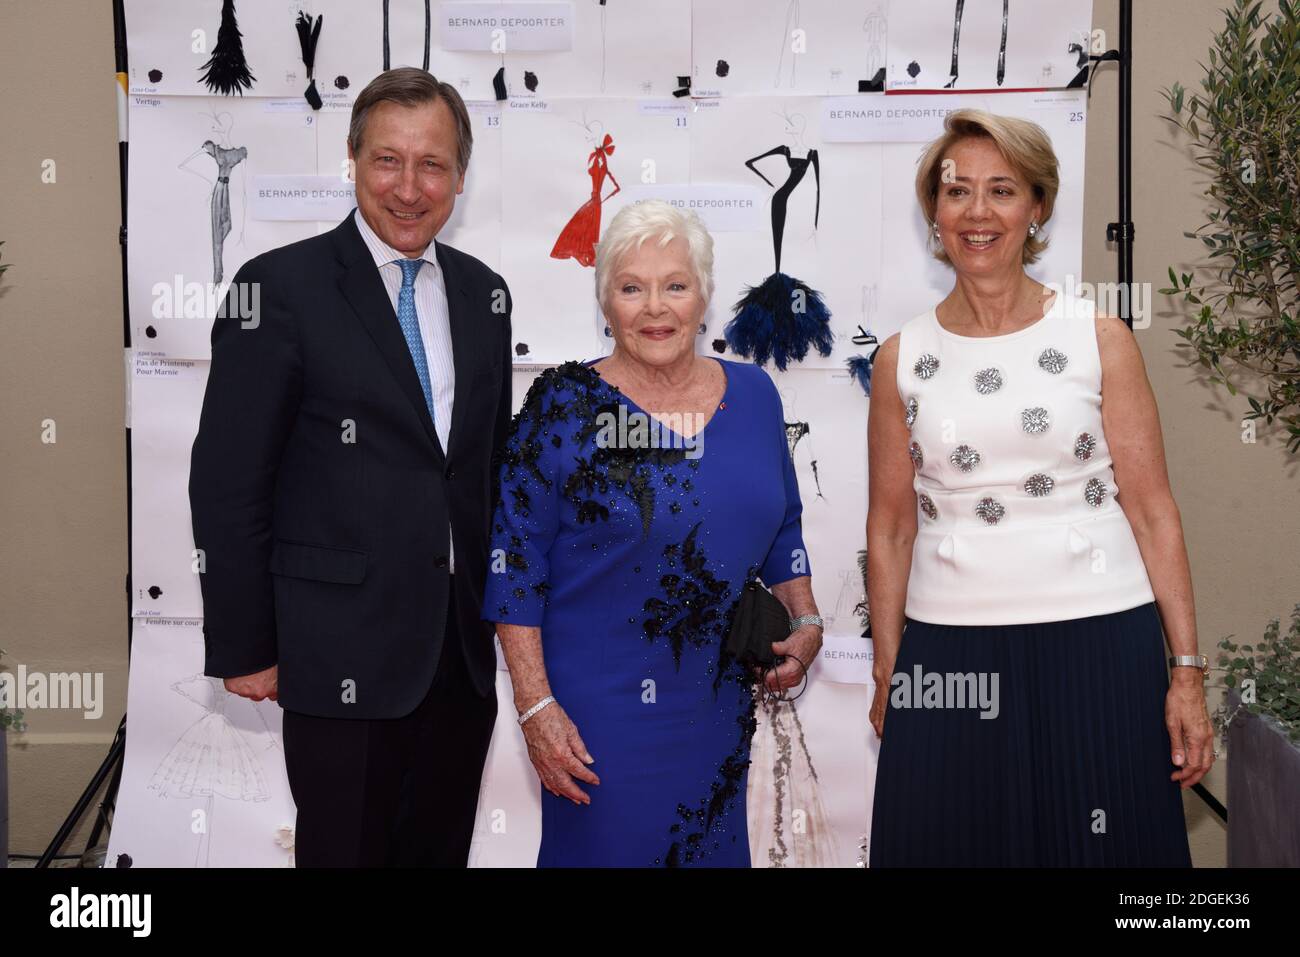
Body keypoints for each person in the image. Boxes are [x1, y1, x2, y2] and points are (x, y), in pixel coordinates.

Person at [866, 109, 1212, 867]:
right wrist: (891, 669)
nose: (978, 212)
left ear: (1039, 206)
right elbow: (889, 530)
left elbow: (1153, 513)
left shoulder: (1100, 337)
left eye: (1003, 190)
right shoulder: (900, 358)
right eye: (958, 192)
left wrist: (1185, 670)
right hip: (946, 658)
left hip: (1100, 647)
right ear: (934, 210)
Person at [189, 68, 511, 867]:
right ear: (353, 161)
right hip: (336, 653)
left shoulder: (486, 297)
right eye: (387, 161)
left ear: (460, 177)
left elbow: (482, 473)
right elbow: (228, 481)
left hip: (458, 662)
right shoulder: (277, 287)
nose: (410, 187)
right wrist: (244, 643)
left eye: (432, 164)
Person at [485, 200, 823, 867]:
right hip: (595, 720)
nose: (655, 307)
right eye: (631, 287)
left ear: (704, 295)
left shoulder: (755, 396)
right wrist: (534, 706)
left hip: (716, 709)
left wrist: (806, 616)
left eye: (675, 285)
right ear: (605, 302)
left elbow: (783, 521)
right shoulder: (564, 408)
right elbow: (512, 567)